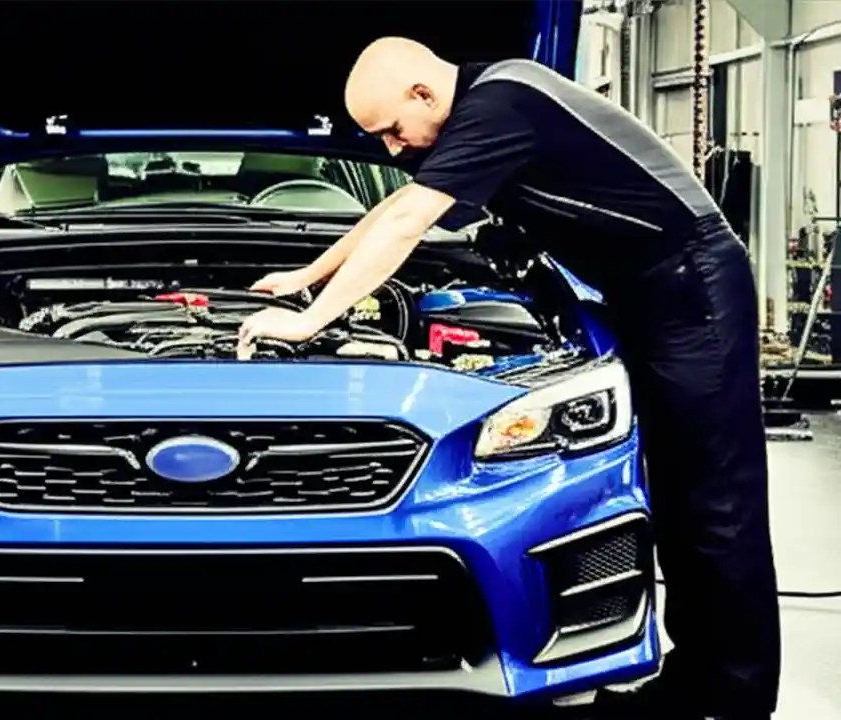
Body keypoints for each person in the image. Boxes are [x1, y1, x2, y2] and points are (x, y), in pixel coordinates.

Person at [237, 37, 781, 720]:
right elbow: (393, 207)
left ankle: (733, 700)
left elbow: (409, 218)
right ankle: (694, 679)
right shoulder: (487, 102)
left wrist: (312, 321)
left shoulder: (504, 103)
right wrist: (304, 276)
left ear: (423, 95)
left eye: (392, 131)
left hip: (689, 286)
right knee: (677, 491)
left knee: (717, 503)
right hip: (652, 291)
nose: (396, 148)